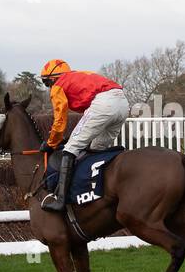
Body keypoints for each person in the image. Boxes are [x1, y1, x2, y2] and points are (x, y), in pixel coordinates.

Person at [38, 59, 129, 211]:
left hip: (104, 103)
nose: (49, 88)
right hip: (123, 104)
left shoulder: (58, 85)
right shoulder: (78, 76)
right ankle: (97, 192)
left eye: (47, 83)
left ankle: (61, 200)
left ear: (53, 78)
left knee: (71, 148)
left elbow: (60, 119)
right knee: (97, 149)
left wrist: (51, 143)